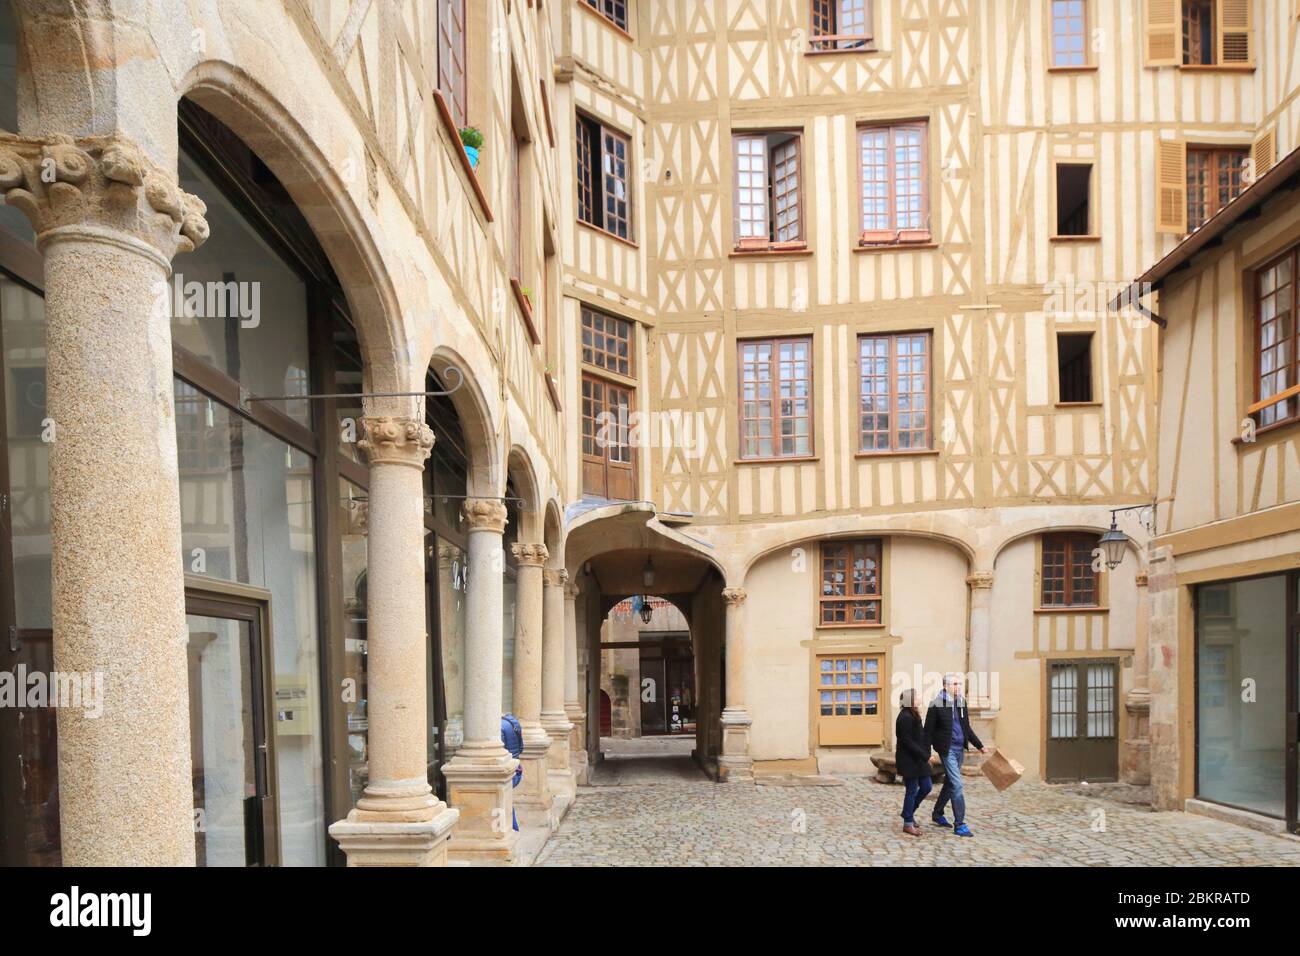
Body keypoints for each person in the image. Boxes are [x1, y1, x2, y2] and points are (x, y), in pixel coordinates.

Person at [923, 673, 987, 837]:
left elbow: (966, 728)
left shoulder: (961, 702)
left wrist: (979, 745)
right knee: (957, 785)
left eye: (959, 684)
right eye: (955, 684)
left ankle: (937, 813)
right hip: (947, 749)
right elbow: (928, 731)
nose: (958, 687)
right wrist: (926, 753)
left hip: (960, 748)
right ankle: (960, 824)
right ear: (946, 686)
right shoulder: (936, 704)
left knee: (951, 782)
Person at [895, 688, 931, 837]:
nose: (920, 697)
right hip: (909, 759)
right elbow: (907, 741)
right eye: (917, 696)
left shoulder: (914, 714)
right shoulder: (905, 717)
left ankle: (907, 812)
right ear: (910, 700)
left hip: (918, 759)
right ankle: (908, 823)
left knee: (926, 787)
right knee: (911, 790)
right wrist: (925, 755)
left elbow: (920, 737)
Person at [501, 713, 524, 832]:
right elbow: (521, 748)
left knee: (503, 802)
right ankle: (514, 829)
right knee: (506, 800)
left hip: (509, 771)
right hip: (517, 769)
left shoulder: (498, 727)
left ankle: (514, 829)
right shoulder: (513, 722)